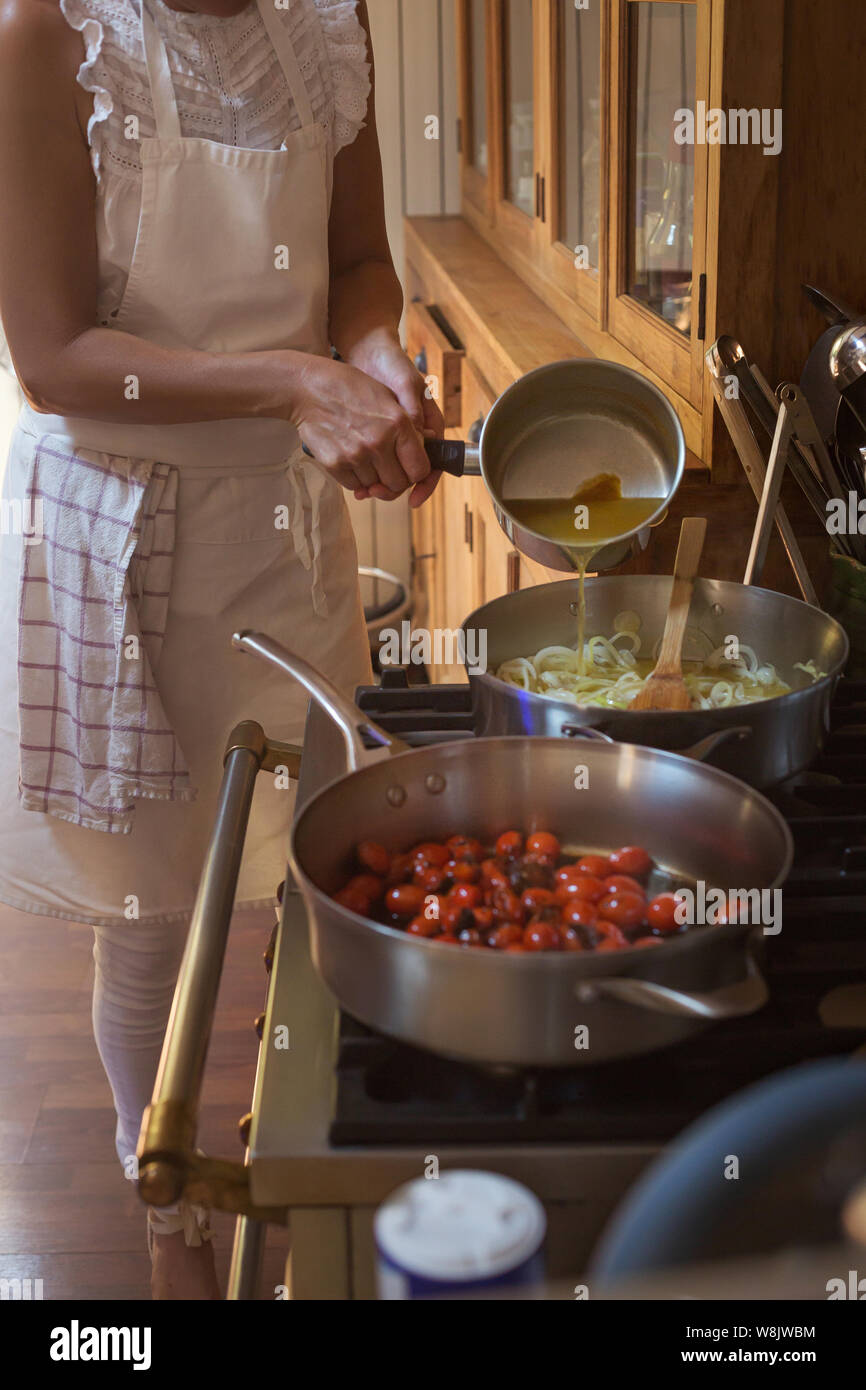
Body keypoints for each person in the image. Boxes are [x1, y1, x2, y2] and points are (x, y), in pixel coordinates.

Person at [0, 0, 443, 1299]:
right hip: (127, 530)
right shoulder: (50, 32)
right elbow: (55, 354)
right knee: (154, 917)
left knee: (318, 874)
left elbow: (358, 254)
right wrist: (294, 382)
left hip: (282, 523)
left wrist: (368, 352)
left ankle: (294, 1155)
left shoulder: (326, 20)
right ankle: (170, 1209)